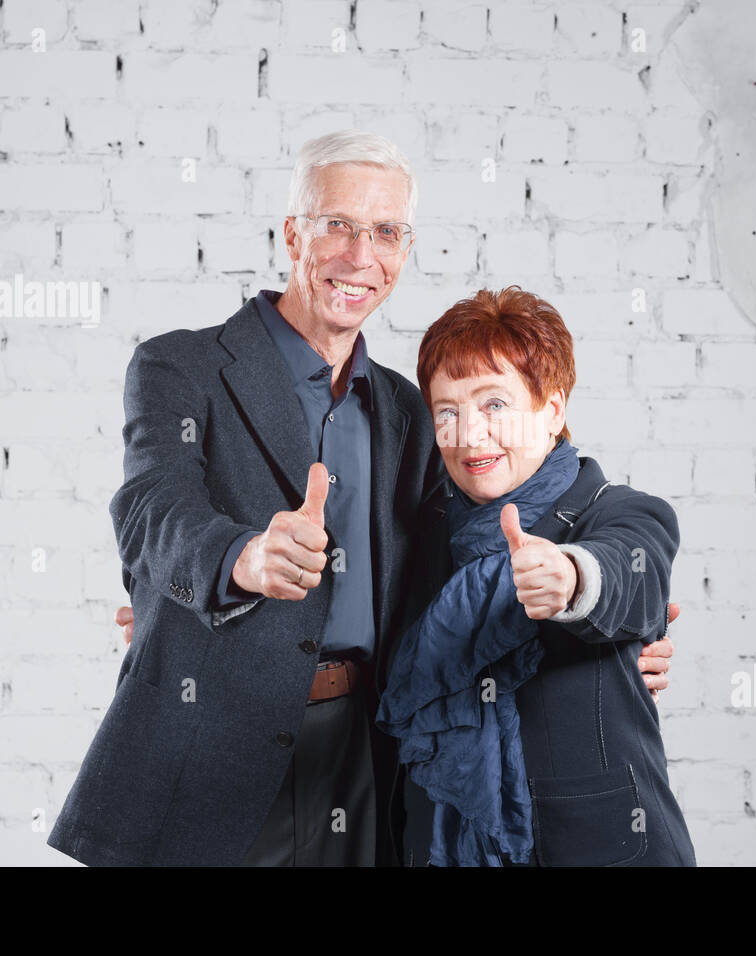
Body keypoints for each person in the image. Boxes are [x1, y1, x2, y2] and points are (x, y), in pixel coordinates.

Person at [50, 129, 677, 867]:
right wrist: (241, 560)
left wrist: (597, 643)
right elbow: (154, 511)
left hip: (368, 757)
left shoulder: (413, 414)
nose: (359, 254)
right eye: (337, 225)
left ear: (404, 252)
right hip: (214, 749)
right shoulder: (179, 366)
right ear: (292, 234)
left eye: (385, 231)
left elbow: (467, 559)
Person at [379, 287, 696, 866]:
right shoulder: (419, 534)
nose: (469, 433)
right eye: (447, 411)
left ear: (553, 410)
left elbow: (632, 572)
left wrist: (571, 578)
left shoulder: (619, 509)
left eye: (494, 404)